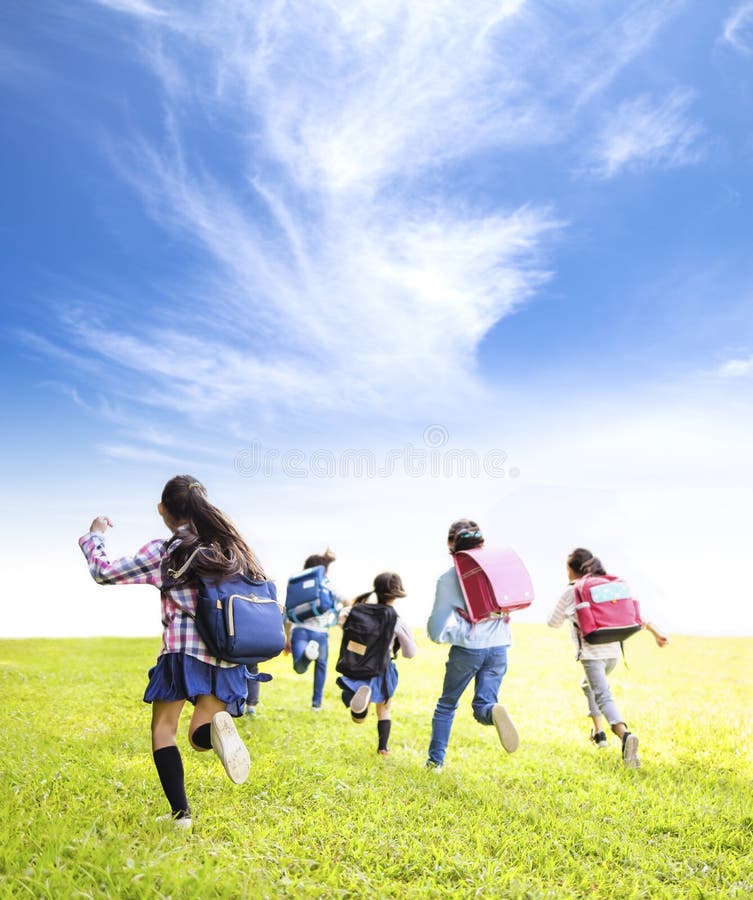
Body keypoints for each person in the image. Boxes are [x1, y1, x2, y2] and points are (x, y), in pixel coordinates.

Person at [78, 475, 264, 829]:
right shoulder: (232, 550)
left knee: (164, 729)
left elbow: (103, 572)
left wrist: (96, 534)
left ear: (163, 509)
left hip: (182, 652)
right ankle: (218, 731)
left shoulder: (165, 551)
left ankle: (181, 816)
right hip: (227, 655)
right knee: (201, 735)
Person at [547, 547, 668, 768]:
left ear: (572, 570)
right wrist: (657, 634)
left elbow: (552, 622)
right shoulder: (609, 587)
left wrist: (573, 613)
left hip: (593, 654)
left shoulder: (573, 590)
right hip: (613, 652)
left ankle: (624, 735)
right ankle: (599, 734)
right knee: (588, 686)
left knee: (603, 695)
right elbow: (638, 615)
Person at [425, 519, 519, 772]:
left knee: (447, 704)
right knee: (481, 706)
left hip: (468, 648)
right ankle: (493, 710)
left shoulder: (449, 578)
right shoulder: (497, 567)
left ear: (450, 543)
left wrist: (440, 637)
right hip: (500, 646)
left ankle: (435, 762)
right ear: (481, 540)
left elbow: (437, 623)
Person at [336, 572, 416, 756]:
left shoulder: (355, 611)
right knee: (384, 709)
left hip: (355, 665)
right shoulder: (396, 620)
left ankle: (360, 709)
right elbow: (410, 653)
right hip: (381, 668)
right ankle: (383, 749)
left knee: (358, 719)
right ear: (396, 595)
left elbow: (342, 620)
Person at [284, 548, 346, 710]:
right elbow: (346, 601)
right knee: (321, 667)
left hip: (300, 629)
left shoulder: (296, 583)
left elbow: (288, 613)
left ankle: (306, 656)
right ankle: (316, 704)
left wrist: (286, 638)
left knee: (299, 667)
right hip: (321, 633)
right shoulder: (327, 584)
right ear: (324, 570)